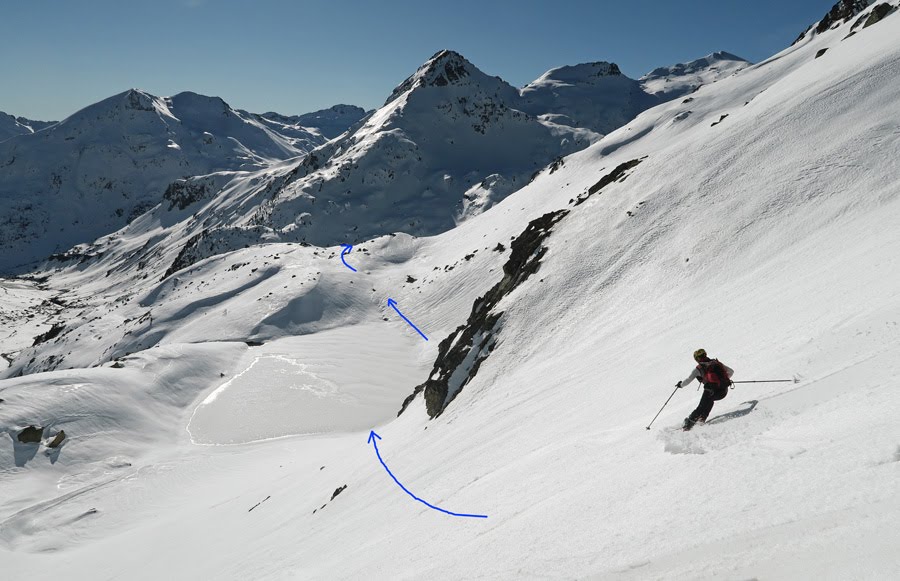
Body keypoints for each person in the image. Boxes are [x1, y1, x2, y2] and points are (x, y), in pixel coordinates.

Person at [677, 348, 733, 431]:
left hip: (711, 391)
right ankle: (702, 419)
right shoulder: (716, 363)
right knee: (710, 400)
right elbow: (731, 371)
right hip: (723, 391)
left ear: (697, 359)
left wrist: (680, 385)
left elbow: (688, 380)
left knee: (701, 406)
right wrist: (722, 381)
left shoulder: (698, 369)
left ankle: (688, 425)